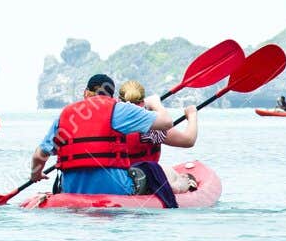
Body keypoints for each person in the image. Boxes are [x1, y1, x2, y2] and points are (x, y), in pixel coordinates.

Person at [29, 73, 176, 196]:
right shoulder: (119, 109)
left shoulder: (65, 116)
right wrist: (156, 103)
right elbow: (167, 122)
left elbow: (39, 155)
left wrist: (35, 174)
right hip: (116, 189)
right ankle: (183, 185)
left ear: (85, 92)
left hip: (71, 190)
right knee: (153, 170)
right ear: (112, 96)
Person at [117, 79, 202, 196]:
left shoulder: (113, 123)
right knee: (171, 172)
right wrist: (192, 115)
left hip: (118, 177)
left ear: (119, 100)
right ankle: (175, 186)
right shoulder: (150, 128)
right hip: (147, 177)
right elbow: (188, 140)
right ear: (143, 102)